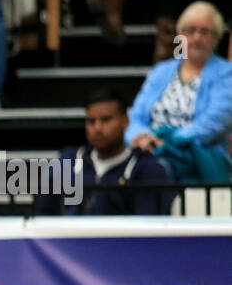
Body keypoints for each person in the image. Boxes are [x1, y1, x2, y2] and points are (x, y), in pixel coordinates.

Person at [126, 1, 232, 184]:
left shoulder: (227, 73)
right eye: (190, 31)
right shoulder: (161, 71)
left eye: (205, 32)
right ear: (180, 35)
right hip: (151, 150)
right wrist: (141, 137)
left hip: (199, 157)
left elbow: (212, 125)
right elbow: (136, 117)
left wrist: (164, 142)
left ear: (216, 38)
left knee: (154, 170)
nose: (197, 38)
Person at [36, 87, 174, 215]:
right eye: (91, 121)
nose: (98, 128)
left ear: (125, 121)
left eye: (106, 120)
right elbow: (43, 219)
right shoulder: (67, 162)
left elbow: (148, 231)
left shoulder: (146, 168)